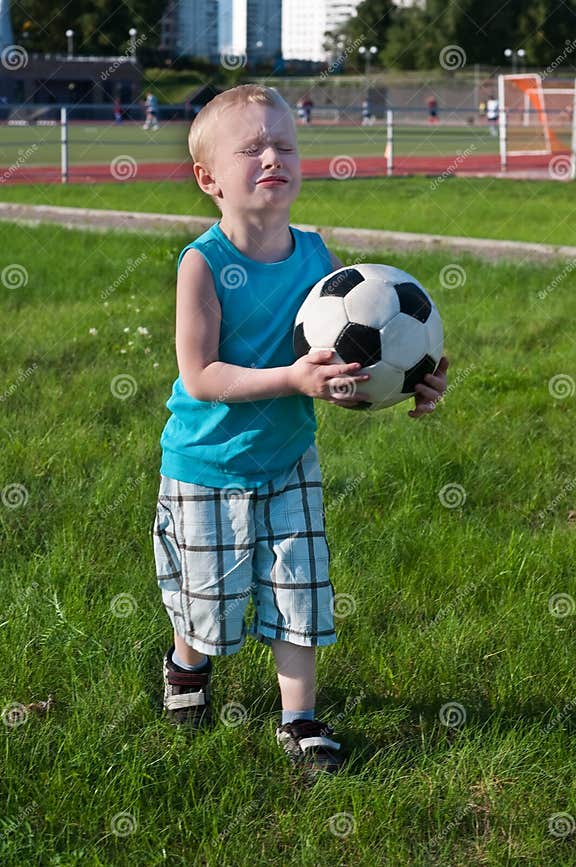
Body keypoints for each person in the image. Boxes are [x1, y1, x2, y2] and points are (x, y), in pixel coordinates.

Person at [152, 84, 448, 778]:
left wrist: (408, 380)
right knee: (210, 601)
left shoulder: (321, 261)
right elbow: (200, 375)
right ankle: (187, 663)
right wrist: (291, 379)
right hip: (208, 463)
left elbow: (340, 360)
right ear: (208, 179)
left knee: (300, 589)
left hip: (288, 460)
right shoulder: (202, 263)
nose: (272, 157)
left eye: (284, 145)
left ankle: (300, 719)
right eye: (251, 148)